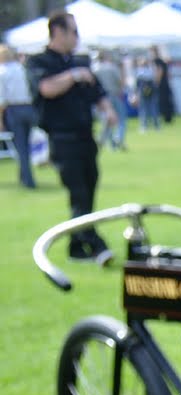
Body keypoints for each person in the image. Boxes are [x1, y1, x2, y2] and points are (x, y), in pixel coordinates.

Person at [27, 11, 118, 264]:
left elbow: (97, 93)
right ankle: (97, 245)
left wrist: (108, 110)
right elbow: (47, 89)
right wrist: (73, 76)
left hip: (86, 137)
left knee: (88, 191)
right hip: (62, 138)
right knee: (78, 193)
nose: (77, 37)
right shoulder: (39, 62)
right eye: (73, 31)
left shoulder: (80, 61)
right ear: (58, 32)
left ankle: (76, 249)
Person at [1, 45, 39, 189]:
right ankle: (24, 176)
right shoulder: (21, 69)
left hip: (13, 109)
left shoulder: (2, 72)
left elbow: (1, 99)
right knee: (25, 146)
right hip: (28, 107)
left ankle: (28, 180)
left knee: (21, 146)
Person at [91, 51, 125, 150]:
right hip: (114, 94)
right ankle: (118, 138)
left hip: (101, 98)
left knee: (107, 121)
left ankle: (111, 142)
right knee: (120, 119)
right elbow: (119, 80)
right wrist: (121, 91)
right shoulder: (111, 67)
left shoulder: (94, 69)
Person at [150, 46, 174, 123]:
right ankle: (167, 117)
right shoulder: (162, 61)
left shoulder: (157, 61)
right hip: (165, 83)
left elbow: (160, 71)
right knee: (166, 101)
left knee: (163, 101)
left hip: (162, 84)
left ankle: (166, 117)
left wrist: (157, 82)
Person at [134, 56, 158, 130]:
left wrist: (136, 93)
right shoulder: (150, 70)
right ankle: (155, 125)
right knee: (152, 107)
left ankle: (144, 125)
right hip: (151, 90)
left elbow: (137, 83)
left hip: (143, 90)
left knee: (143, 108)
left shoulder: (139, 71)